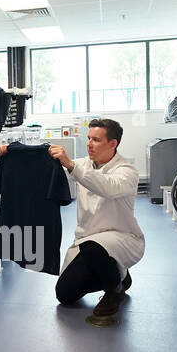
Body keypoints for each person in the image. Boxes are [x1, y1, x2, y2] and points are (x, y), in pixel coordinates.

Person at [48, 118, 145, 319]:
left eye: (96, 140)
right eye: (89, 138)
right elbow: (49, 170)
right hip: (87, 241)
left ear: (113, 143)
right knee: (65, 294)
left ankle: (114, 291)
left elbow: (107, 187)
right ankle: (120, 275)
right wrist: (11, 152)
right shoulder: (83, 164)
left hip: (122, 237)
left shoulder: (127, 171)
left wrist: (71, 165)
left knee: (94, 247)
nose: (89, 144)